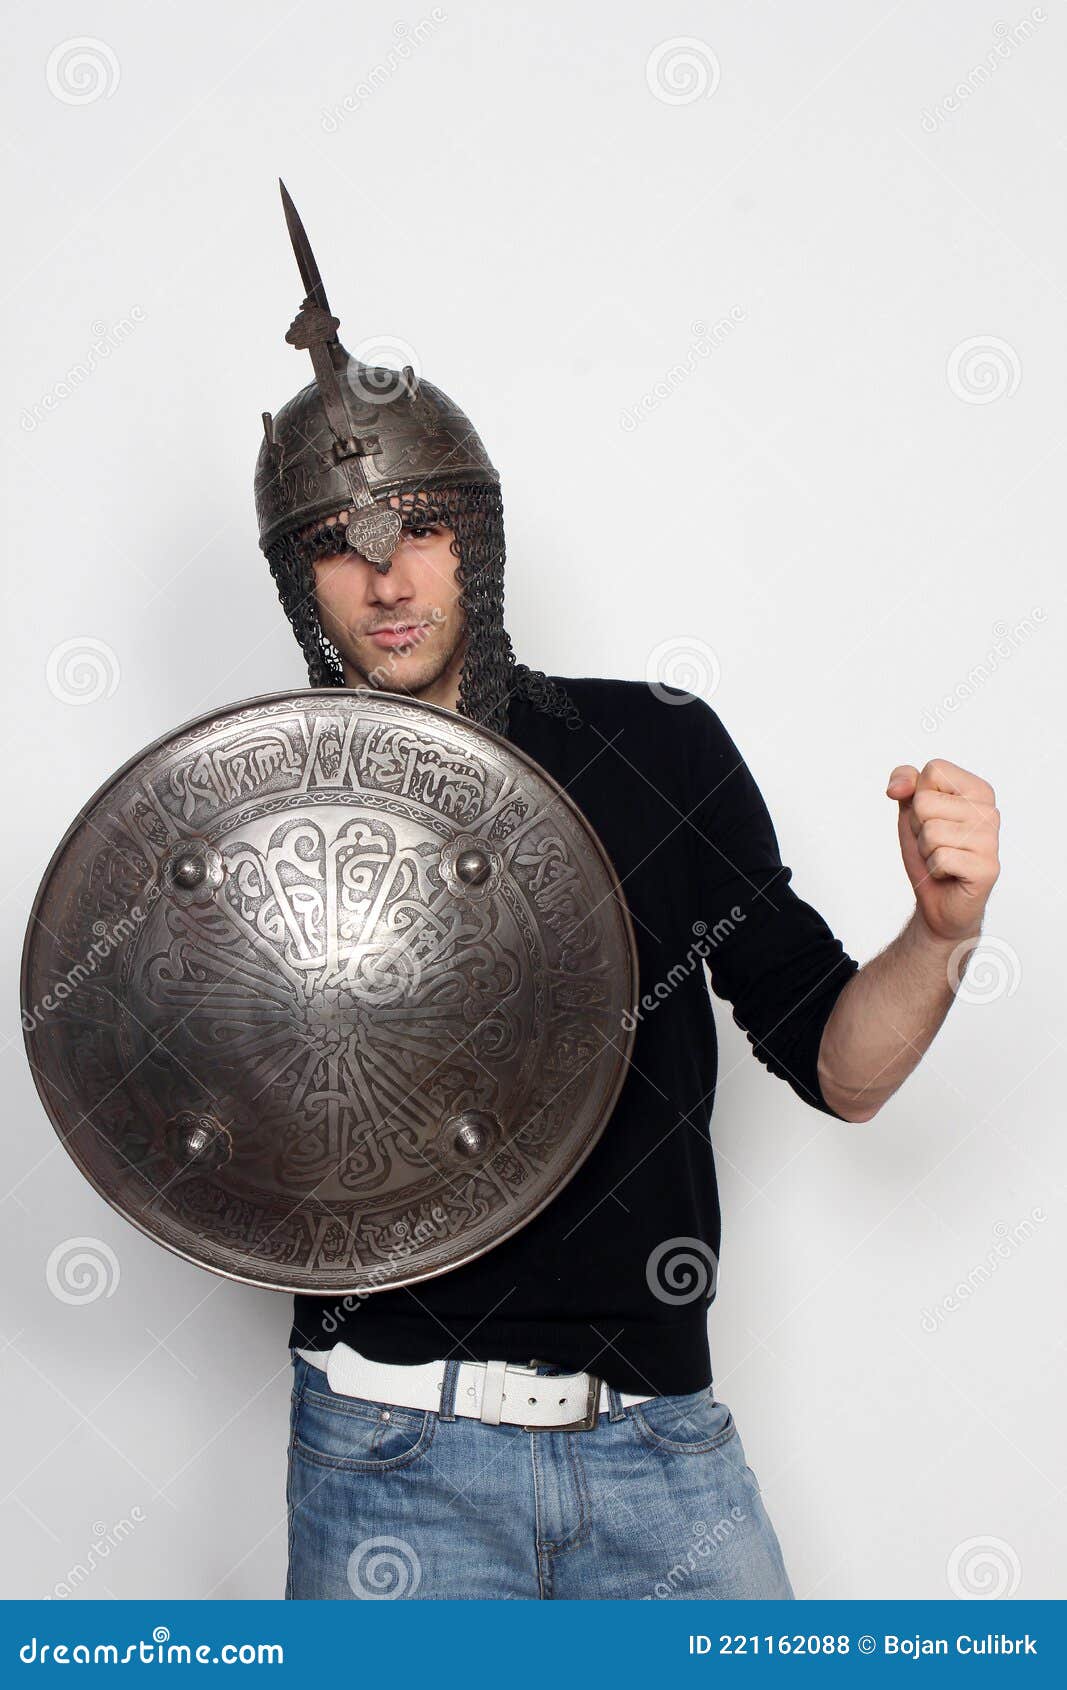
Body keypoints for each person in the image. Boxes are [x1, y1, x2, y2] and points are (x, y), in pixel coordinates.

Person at [256, 186, 1001, 1601]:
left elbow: (838, 1063)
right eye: (337, 544)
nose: (384, 574)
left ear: (475, 530)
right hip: (384, 1453)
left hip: (661, 1452)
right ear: (299, 579)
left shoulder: (656, 747)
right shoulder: (261, 818)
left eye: (416, 524)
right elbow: (195, 1118)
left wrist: (943, 933)